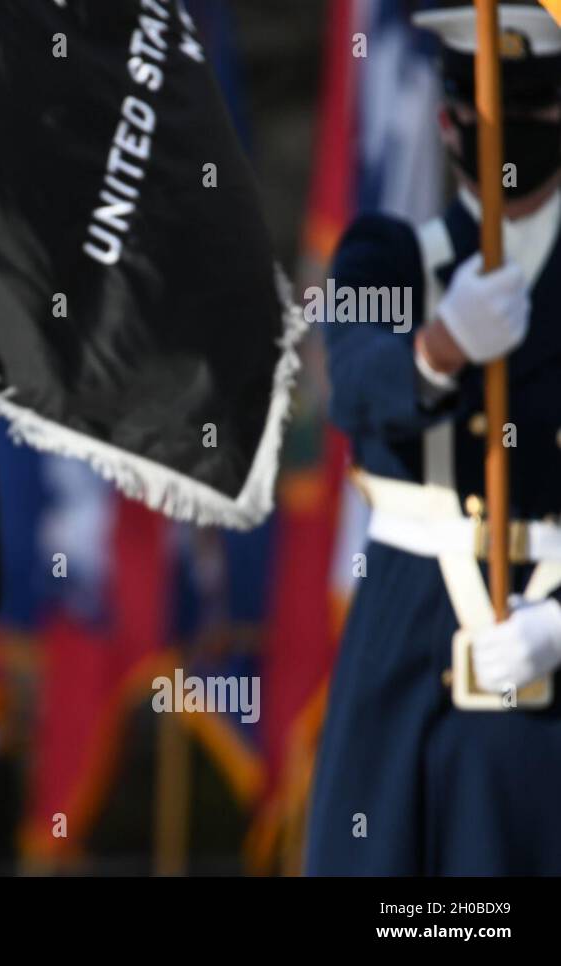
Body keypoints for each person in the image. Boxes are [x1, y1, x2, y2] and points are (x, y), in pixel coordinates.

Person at [307, 4, 561, 874]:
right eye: (491, 113)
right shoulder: (387, 255)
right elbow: (357, 386)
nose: (510, 135)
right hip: (408, 628)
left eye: (536, 110)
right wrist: (440, 346)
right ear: (448, 119)